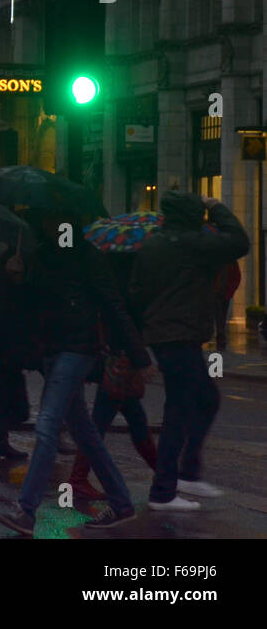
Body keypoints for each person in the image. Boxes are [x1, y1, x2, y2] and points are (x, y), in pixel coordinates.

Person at [0, 212, 155, 535]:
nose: (46, 225)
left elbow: (113, 304)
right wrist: (16, 278)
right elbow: (33, 303)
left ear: (66, 222)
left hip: (77, 350)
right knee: (84, 431)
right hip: (52, 352)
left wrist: (139, 356)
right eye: (43, 221)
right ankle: (122, 503)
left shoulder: (86, 256)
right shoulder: (42, 256)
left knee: (48, 424)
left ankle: (27, 511)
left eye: (52, 221)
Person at [130, 192, 248, 510]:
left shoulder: (153, 244)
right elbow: (239, 242)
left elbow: (138, 291)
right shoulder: (192, 244)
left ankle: (187, 474)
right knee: (180, 409)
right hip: (179, 335)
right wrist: (217, 207)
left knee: (205, 399)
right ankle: (165, 491)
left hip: (167, 335)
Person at [68, 251, 157, 498]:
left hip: (118, 362)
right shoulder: (126, 290)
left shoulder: (113, 283)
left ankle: (164, 476)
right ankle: (77, 478)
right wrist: (142, 359)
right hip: (121, 363)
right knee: (100, 424)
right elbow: (126, 325)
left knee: (135, 419)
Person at [0, 239, 38, 464]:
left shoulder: (11, 257)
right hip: (11, 335)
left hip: (8, 335)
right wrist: (17, 281)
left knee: (6, 383)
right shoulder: (13, 259)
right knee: (6, 385)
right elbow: (17, 299)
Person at [213, 259, 241, 351]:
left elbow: (236, 278)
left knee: (221, 316)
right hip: (216, 293)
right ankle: (220, 336)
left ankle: (220, 336)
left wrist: (230, 291)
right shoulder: (217, 262)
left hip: (224, 294)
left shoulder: (231, 262)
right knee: (219, 316)